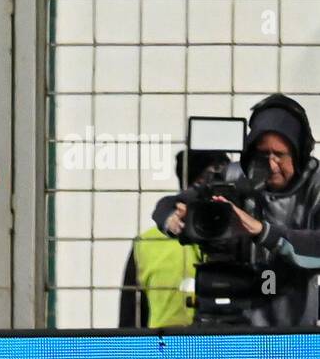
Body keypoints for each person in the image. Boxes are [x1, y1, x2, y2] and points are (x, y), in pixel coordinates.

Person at [155, 95, 320, 327]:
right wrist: (173, 219)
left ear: (300, 153)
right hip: (234, 315)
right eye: (264, 155)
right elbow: (169, 205)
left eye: (280, 155)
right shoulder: (235, 176)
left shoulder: (316, 185)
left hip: (293, 328)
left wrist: (262, 231)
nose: (272, 165)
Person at [118, 150, 223, 329]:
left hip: (165, 348)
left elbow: (129, 324)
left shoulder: (148, 243)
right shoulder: (147, 243)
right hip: (227, 347)